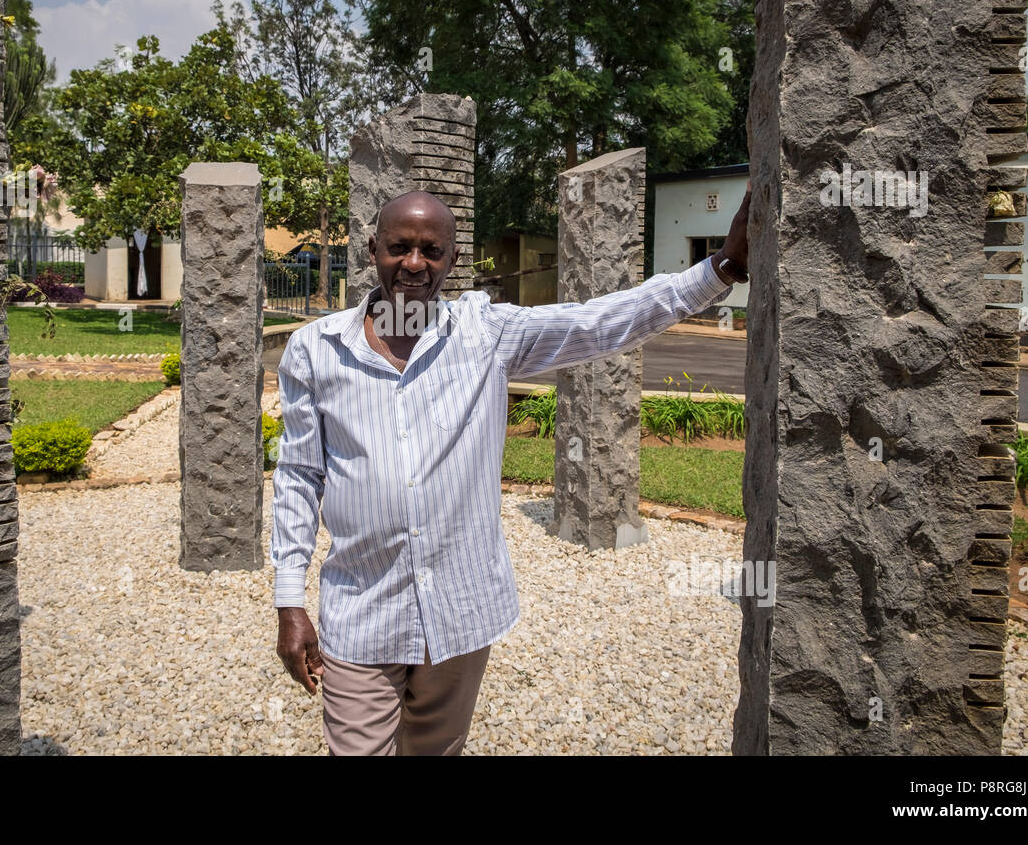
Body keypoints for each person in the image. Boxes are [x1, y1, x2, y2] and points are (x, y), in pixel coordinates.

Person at [272, 186, 750, 755]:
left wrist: (722, 268)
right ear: (373, 248)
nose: (415, 264)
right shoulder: (315, 350)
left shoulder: (486, 336)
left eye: (432, 250)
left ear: (453, 258)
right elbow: (299, 477)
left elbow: (600, 322)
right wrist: (289, 600)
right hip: (361, 610)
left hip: (461, 612)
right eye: (399, 247)